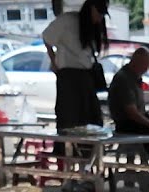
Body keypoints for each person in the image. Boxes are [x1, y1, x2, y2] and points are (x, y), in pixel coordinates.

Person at [44, 0, 109, 135]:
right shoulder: (67, 20)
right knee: (70, 119)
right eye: (98, 13)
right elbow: (47, 38)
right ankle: (68, 151)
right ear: (90, 8)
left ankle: (87, 153)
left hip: (86, 76)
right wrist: (54, 62)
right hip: (68, 75)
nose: (99, 17)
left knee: (91, 118)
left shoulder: (92, 27)